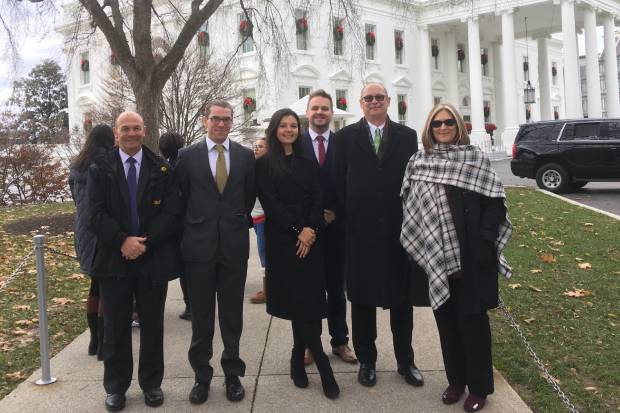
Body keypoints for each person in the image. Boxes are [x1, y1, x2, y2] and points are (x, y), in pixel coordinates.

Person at [400, 103, 513, 412]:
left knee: (473, 325)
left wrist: (485, 240)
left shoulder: (474, 158)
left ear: (459, 125)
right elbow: (410, 208)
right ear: (429, 128)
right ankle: (456, 381)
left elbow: (495, 202)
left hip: (472, 257)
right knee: (446, 323)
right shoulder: (418, 161)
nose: (443, 127)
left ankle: (479, 388)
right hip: (435, 256)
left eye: (449, 122)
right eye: (437, 123)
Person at [331, 82, 425, 388]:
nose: (374, 101)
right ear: (361, 103)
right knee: (362, 303)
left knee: (401, 302)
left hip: (400, 235)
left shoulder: (407, 137)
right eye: (369, 98)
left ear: (388, 102)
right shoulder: (344, 138)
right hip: (359, 236)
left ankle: (405, 361)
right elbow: (336, 183)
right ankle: (367, 361)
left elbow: (415, 182)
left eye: (379, 97)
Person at [87, 111, 181, 412]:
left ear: (145, 131)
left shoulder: (162, 168)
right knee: (115, 328)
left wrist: (145, 242)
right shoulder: (99, 168)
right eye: (125, 128)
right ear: (117, 133)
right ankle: (115, 387)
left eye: (136, 128)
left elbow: (171, 213)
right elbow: (94, 214)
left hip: (151, 259)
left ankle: (151, 384)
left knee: (153, 326)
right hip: (114, 261)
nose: (131, 133)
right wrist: (122, 241)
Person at [175, 100, 255, 405]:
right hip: (198, 247)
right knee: (202, 318)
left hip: (233, 246)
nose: (221, 124)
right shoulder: (187, 157)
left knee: (232, 316)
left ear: (232, 122)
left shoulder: (246, 157)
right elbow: (181, 198)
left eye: (226, 119)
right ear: (204, 120)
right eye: (215, 119)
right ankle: (202, 376)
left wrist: (230, 222)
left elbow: (247, 199)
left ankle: (232, 373)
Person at [256, 108, 339, 399]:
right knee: (298, 304)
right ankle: (323, 365)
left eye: (293, 125)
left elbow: (318, 196)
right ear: (275, 130)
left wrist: (311, 229)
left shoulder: (307, 161)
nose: (289, 130)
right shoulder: (264, 164)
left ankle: (297, 360)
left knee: (308, 304)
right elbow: (272, 204)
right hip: (284, 245)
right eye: (284, 125)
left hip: (311, 242)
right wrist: (297, 231)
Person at [300, 89, 356, 365]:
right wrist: (310, 219)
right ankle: (311, 344)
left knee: (336, 289)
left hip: (336, 229)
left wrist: (337, 212)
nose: (320, 112)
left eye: (324, 108)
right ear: (307, 112)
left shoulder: (343, 143)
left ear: (331, 113)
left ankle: (340, 341)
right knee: (310, 290)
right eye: (315, 108)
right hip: (306, 232)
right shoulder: (295, 143)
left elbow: (351, 182)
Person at [69, 124, 114, 359]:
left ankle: (94, 340)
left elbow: (75, 197)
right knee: (106, 287)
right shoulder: (107, 163)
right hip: (101, 230)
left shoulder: (77, 165)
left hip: (82, 230)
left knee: (94, 286)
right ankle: (104, 340)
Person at [158, 131, 191, 320]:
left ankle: (190, 305)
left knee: (184, 268)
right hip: (190, 221)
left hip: (176, 224)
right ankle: (192, 305)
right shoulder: (188, 161)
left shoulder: (167, 167)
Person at [249, 137, 268, 304]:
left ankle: (267, 290)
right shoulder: (253, 166)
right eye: (255, 146)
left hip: (264, 219)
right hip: (255, 218)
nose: (256, 149)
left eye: (261, 146)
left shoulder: (267, 168)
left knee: (264, 255)